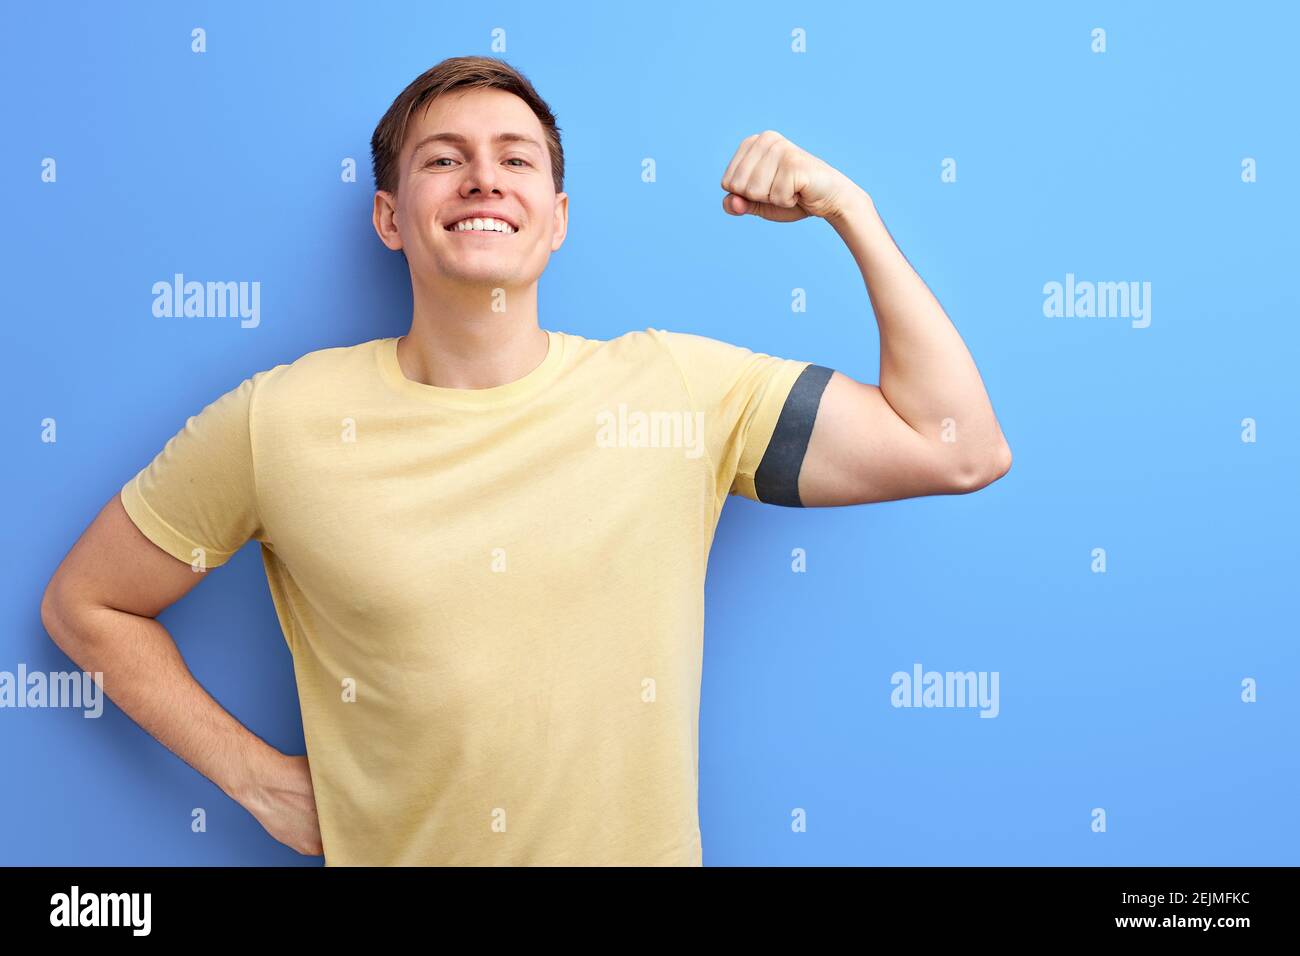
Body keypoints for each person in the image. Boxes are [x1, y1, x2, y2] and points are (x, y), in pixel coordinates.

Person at [40, 55, 1011, 866]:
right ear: (389, 219)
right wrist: (257, 782)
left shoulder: (676, 392)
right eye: (443, 159)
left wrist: (850, 209)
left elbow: (957, 447)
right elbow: (87, 605)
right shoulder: (279, 420)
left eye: (515, 159)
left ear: (556, 216)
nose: (483, 179)